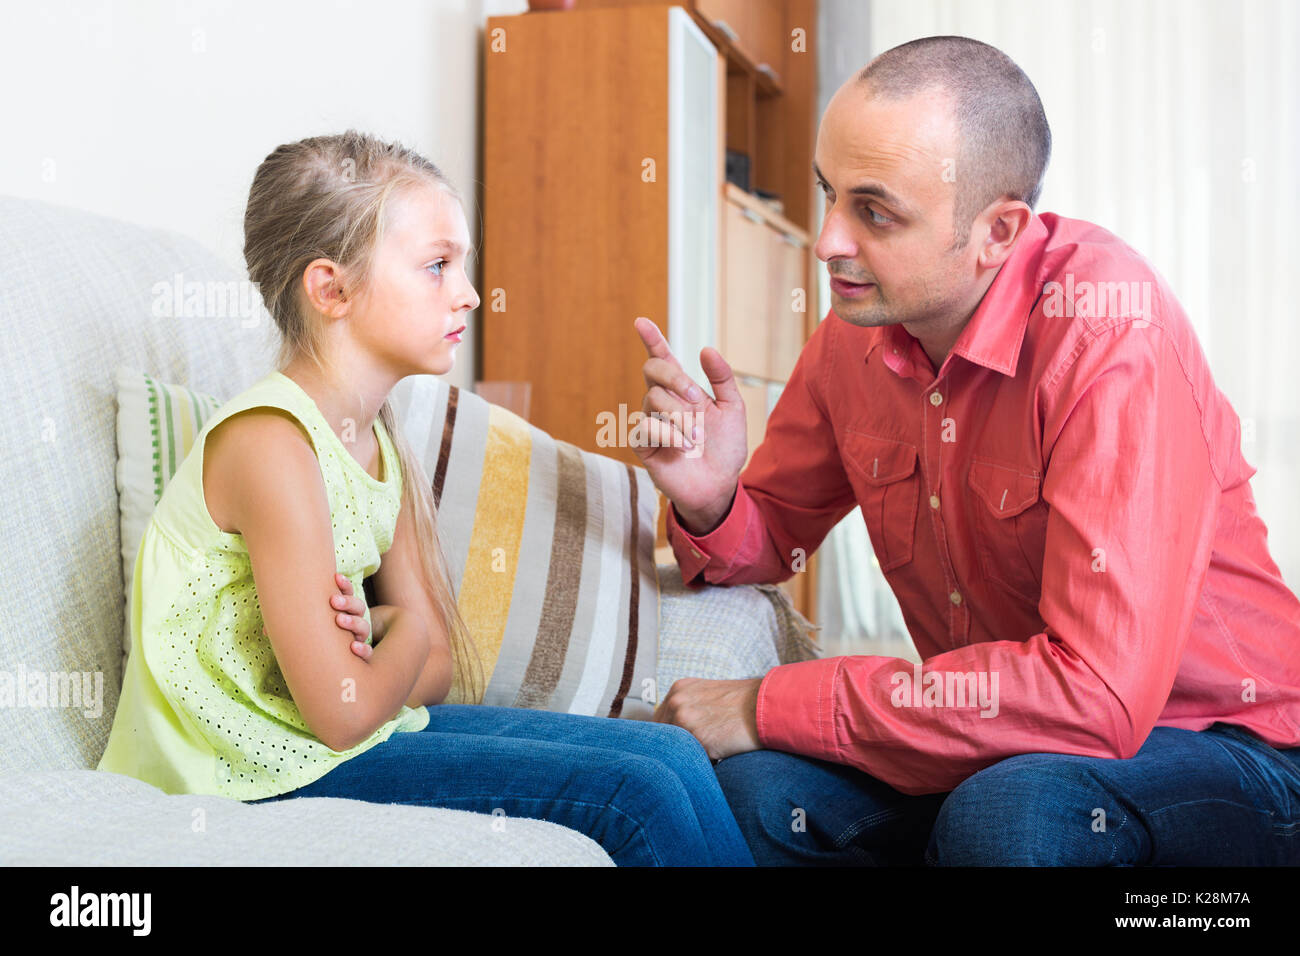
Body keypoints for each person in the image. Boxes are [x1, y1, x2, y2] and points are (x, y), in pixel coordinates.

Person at [632, 36, 1300, 866]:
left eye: (874, 211)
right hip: (999, 739)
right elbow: (773, 536)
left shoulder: (1109, 336)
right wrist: (711, 497)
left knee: (1011, 812)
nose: (828, 241)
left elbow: (1098, 698)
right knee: (755, 798)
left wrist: (773, 701)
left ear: (998, 231)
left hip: (1227, 744)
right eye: (827, 194)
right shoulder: (857, 335)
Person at [97, 130, 753, 867]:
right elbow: (347, 710)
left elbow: (438, 669)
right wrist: (399, 623)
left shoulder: (380, 440)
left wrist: (391, 637)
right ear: (332, 289)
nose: (469, 293)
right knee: (637, 793)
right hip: (236, 776)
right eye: (437, 266)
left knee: (671, 755)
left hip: (317, 744)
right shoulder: (271, 446)